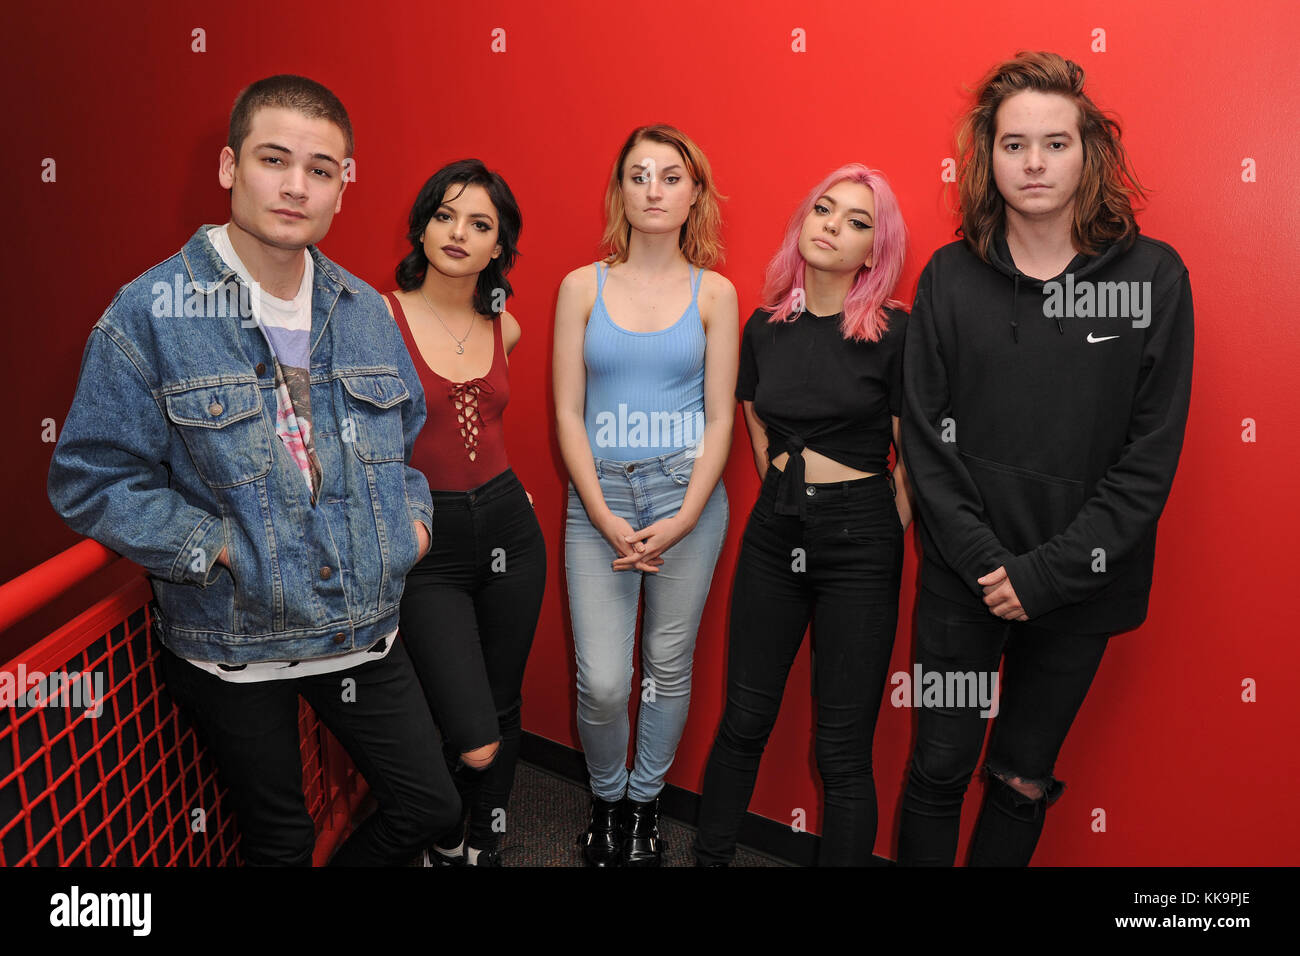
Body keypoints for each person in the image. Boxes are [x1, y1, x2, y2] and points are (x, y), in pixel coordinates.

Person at [46, 75, 458, 866]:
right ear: (231, 167)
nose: (297, 186)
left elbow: (405, 445)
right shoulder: (150, 310)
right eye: (275, 160)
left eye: (321, 169)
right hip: (234, 642)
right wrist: (218, 546)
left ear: (343, 185)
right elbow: (90, 476)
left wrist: (411, 528)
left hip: (361, 628)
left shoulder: (365, 310)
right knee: (281, 842)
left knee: (429, 806)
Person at [898, 51, 1194, 866]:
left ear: (1088, 153)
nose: (1034, 162)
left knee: (1022, 779)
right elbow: (925, 439)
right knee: (937, 771)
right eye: (1014, 144)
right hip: (964, 583)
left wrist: (1044, 577)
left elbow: (1148, 459)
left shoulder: (1153, 278)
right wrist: (987, 565)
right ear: (988, 157)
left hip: (1082, 588)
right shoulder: (948, 277)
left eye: (1055, 144)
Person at [692, 165, 912, 867]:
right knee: (743, 721)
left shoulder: (895, 333)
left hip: (861, 542)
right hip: (775, 534)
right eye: (824, 209)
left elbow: (913, 456)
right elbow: (756, 424)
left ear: (874, 253)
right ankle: (710, 857)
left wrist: (877, 525)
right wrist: (791, 497)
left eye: (857, 221)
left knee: (842, 751)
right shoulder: (764, 327)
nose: (833, 226)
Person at [553, 124, 738, 866]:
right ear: (620, 192)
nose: (653, 190)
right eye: (638, 175)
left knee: (666, 668)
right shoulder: (581, 286)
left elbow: (722, 417)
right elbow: (568, 411)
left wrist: (685, 516)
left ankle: (642, 807)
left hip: (685, 497)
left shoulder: (715, 292)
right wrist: (601, 513)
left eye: (671, 176)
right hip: (598, 500)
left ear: (695, 194)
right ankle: (605, 798)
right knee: (602, 680)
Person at [382, 160, 546, 867]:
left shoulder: (505, 325)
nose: (458, 233)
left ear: (498, 247)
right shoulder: (378, 319)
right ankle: (444, 830)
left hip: (510, 528)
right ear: (422, 227)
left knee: (504, 702)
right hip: (429, 541)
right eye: (445, 216)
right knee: (465, 724)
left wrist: (512, 496)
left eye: (480, 224)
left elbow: (490, 430)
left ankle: (483, 841)